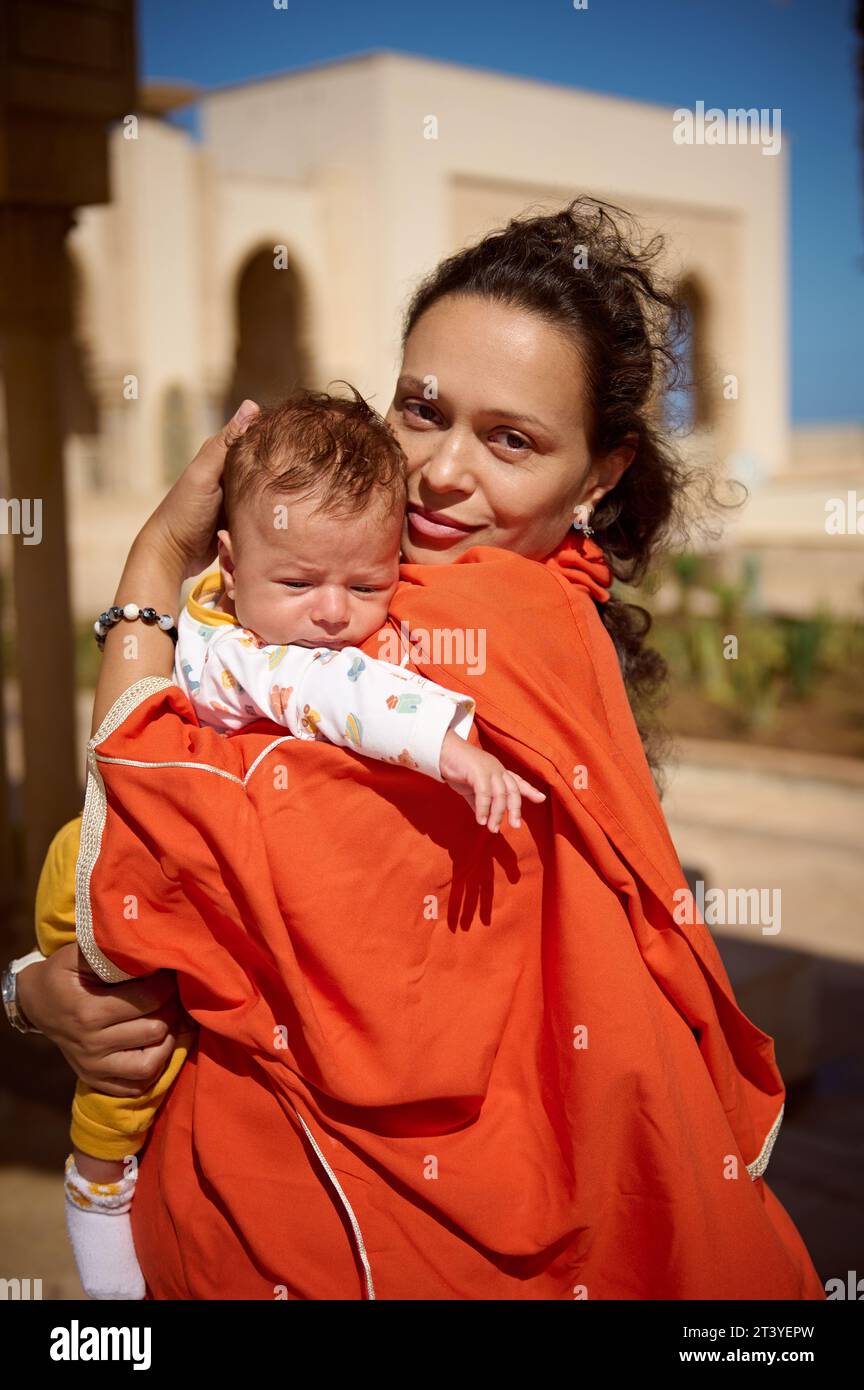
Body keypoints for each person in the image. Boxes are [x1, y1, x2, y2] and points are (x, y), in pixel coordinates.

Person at [9, 196, 826, 1300]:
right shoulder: (393, 602)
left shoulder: (475, 633)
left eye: (512, 439)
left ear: (599, 475)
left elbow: (162, 835)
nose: (442, 473)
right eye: (422, 409)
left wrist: (156, 557)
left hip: (358, 1233)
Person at [40, 386, 545, 1300]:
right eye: (302, 582)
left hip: (163, 876)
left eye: (365, 584)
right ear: (231, 566)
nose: (333, 613)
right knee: (125, 1051)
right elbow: (345, 696)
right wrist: (449, 746)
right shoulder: (246, 652)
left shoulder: (277, 603)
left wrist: (156, 553)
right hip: (111, 858)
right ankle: (98, 1188)